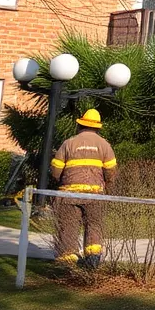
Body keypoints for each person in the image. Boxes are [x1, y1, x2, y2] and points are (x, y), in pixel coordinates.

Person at [50, 109, 117, 267]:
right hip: (94, 195)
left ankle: (68, 262)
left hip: (69, 195)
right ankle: (92, 259)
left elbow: (55, 171)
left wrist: (61, 180)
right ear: (98, 128)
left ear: (80, 125)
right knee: (94, 225)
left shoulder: (68, 143)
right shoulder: (104, 145)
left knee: (68, 227)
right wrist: (106, 186)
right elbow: (111, 172)